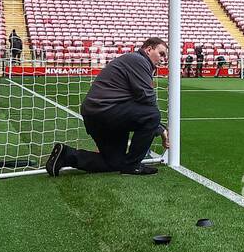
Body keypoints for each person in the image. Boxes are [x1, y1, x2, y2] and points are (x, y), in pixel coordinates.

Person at [46, 37, 169, 177]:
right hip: (104, 112)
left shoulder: (136, 61)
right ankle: (132, 166)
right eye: (161, 53)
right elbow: (147, 98)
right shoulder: (138, 60)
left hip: (100, 115)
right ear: (148, 50)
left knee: (114, 163)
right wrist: (160, 128)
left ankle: (66, 155)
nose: (163, 59)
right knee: (152, 115)